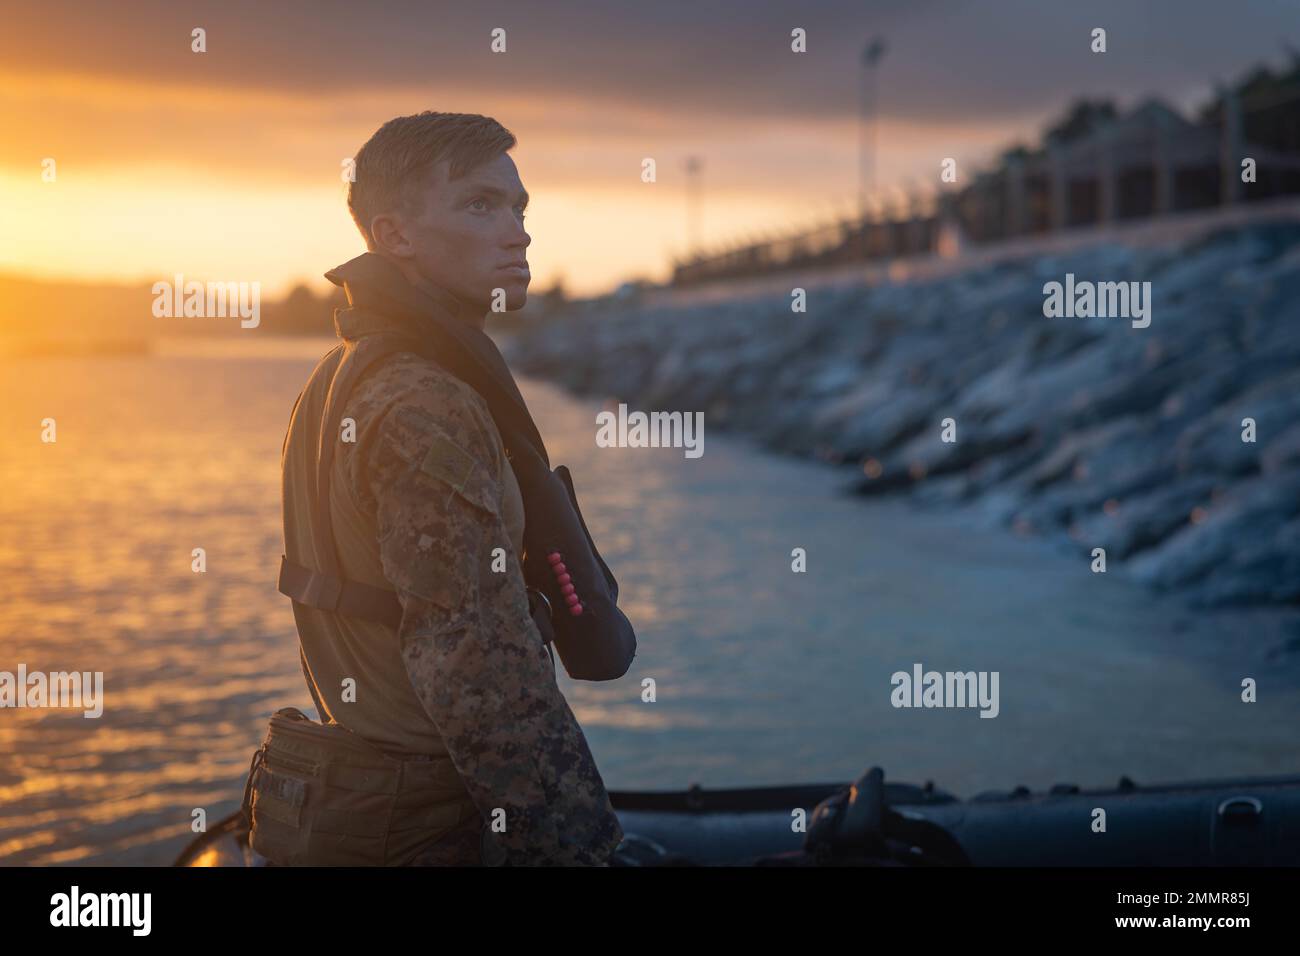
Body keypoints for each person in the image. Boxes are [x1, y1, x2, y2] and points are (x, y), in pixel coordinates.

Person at [275, 112, 628, 866]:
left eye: (519, 209)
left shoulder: (343, 375)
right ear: (394, 235)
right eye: (479, 205)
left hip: (368, 799)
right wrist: (580, 851)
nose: (519, 232)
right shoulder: (422, 403)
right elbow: (477, 668)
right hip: (428, 825)